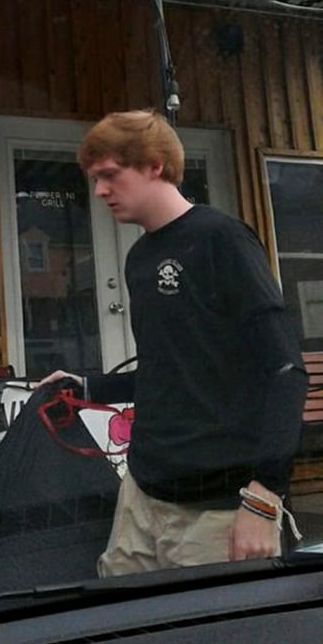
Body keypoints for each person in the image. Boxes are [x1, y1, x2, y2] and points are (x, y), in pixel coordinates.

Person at [40, 109, 307, 577]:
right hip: (143, 493)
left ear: (154, 165)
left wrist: (264, 497)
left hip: (219, 506)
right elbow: (169, 368)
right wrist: (87, 385)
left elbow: (285, 371)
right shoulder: (139, 258)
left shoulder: (222, 240)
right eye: (95, 179)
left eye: (110, 175)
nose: (99, 191)